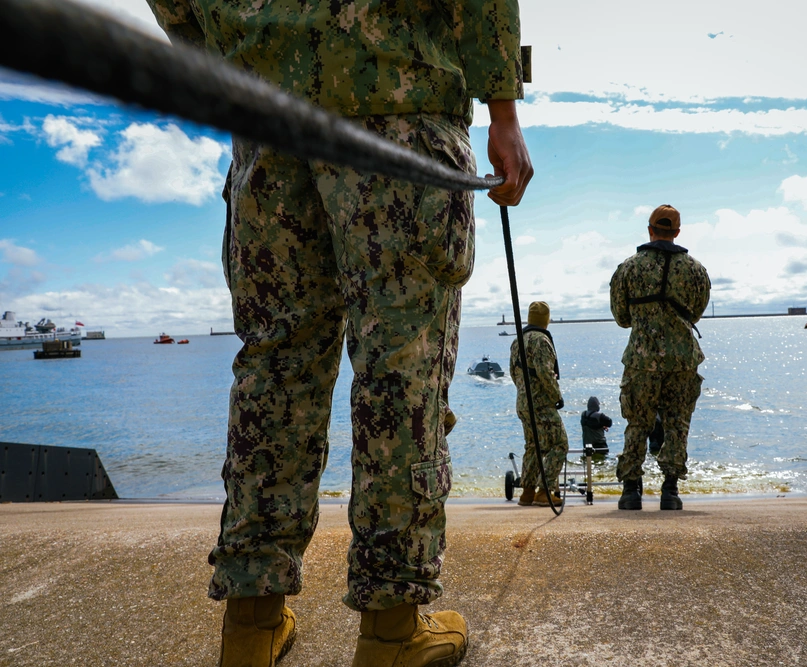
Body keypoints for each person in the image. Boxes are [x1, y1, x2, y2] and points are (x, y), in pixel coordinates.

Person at [145, 2, 533, 666]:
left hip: (264, 121)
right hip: (396, 105)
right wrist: (503, 111)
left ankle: (251, 622)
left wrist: (236, 48)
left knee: (276, 368)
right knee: (399, 371)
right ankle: (390, 630)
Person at [610, 205, 710, 511]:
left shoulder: (628, 268)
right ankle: (670, 490)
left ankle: (630, 491)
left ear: (650, 229)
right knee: (677, 424)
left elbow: (621, 317)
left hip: (641, 359)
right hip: (682, 360)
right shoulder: (695, 270)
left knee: (637, 424)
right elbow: (696, 312)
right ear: (677, 232)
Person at [509, 301, 569, 507]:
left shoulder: (518, 341)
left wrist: (524, 392)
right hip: (541, 402)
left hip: (523, 402)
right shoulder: (542, 340)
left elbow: (512, 373)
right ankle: (545, 490)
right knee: (560, 444)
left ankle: (527, 492)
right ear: (547, 319)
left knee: (533, 446)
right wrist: (556, 396)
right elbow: (545, 372)